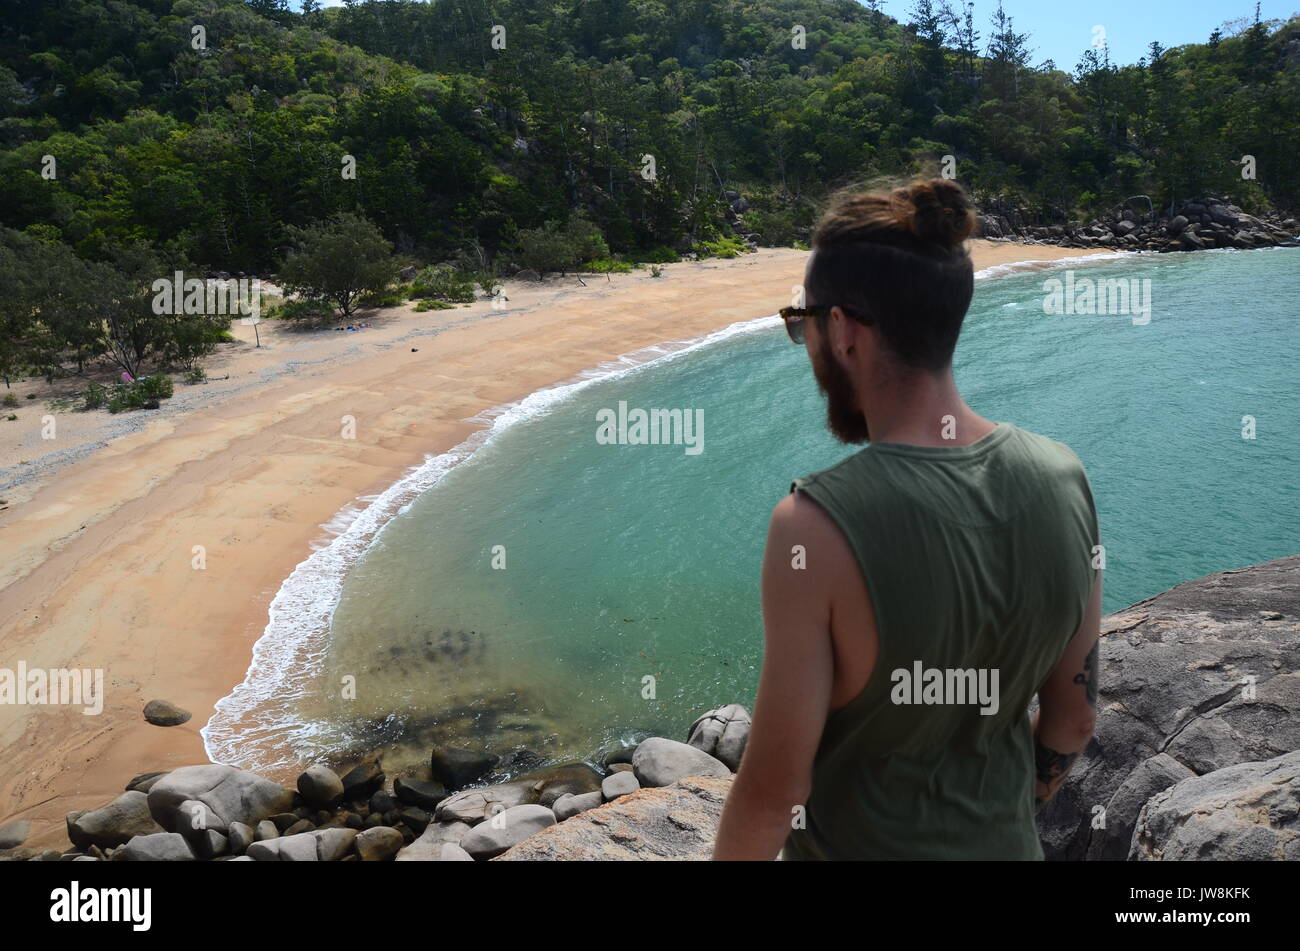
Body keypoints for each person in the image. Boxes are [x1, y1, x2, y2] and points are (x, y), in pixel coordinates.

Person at [711, 178, 1102, 860]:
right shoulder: (1064, 476)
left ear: (841, 329)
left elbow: (774, 791)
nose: (806, 343)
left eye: (801, 322)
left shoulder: (813, 526)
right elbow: (1074, 718)